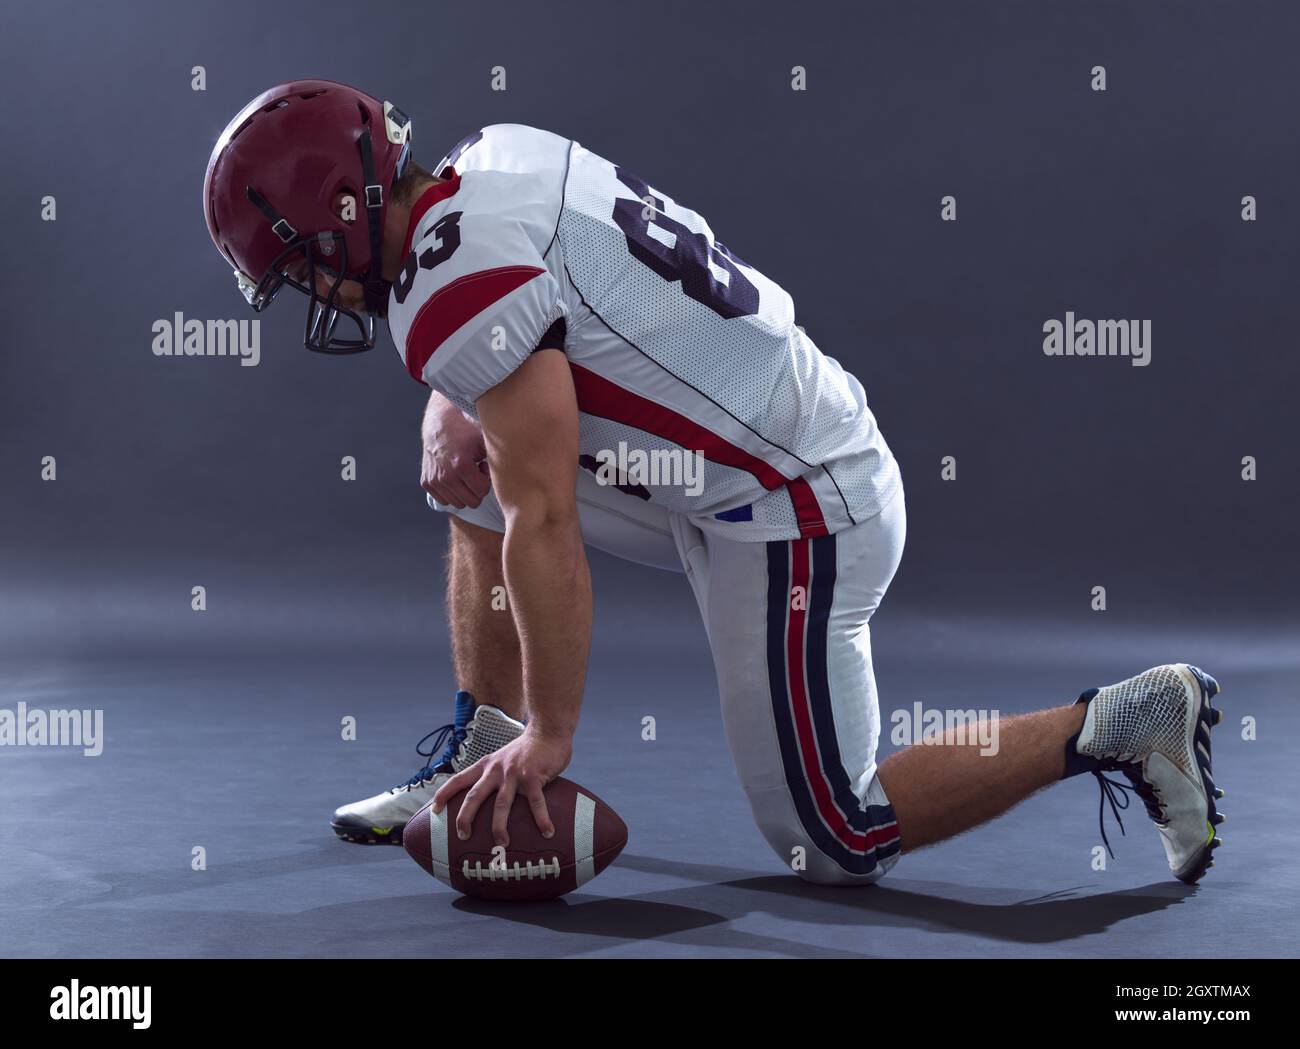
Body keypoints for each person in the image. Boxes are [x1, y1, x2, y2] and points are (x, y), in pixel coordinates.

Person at [203, 79, 1225, 885]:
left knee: (835, 837)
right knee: (468, 472)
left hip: (797, 500)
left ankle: (1124, 722)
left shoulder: (457, 293)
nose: (311, 291)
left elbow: (547, 515)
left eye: (301, 265)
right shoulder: (488, 155)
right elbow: (521, 307)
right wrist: (451, 395)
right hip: (727, 460)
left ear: (345, 209)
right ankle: (485, 740)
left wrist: (560, 737)